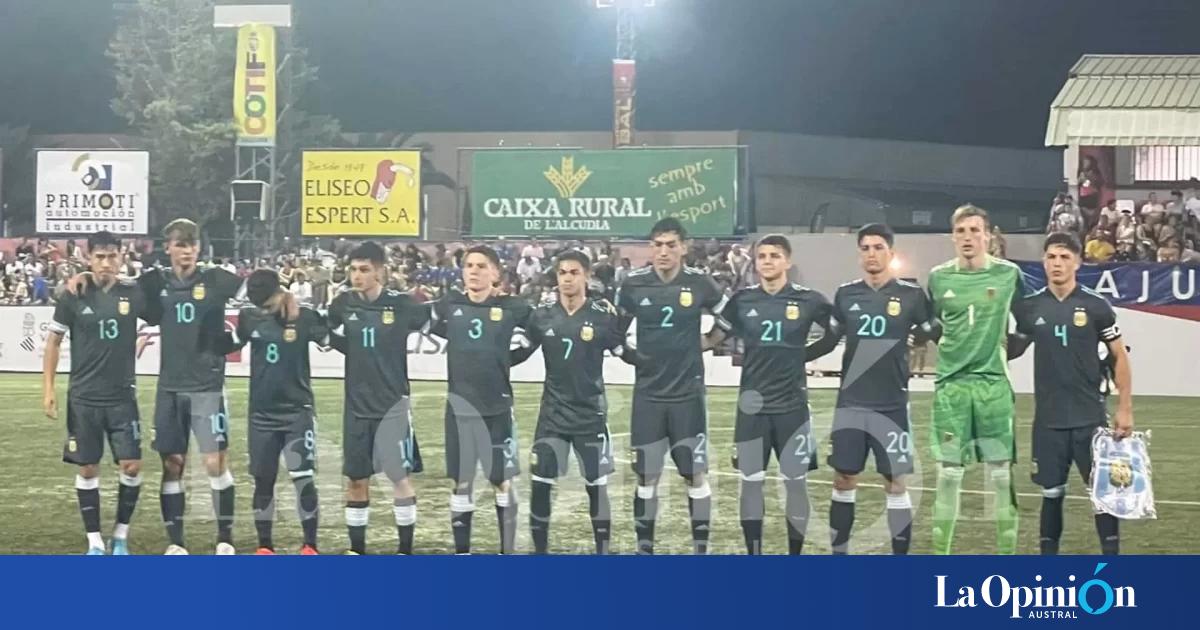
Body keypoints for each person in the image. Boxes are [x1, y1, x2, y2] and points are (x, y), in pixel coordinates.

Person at [67, 218, 282, 554]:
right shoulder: (154, 282)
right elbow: (112, 283)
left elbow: (259, 293)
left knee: (215, 463)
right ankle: (176, 543)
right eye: (181, 244)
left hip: (207, 387)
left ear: (199, 248)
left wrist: (276, 299)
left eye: (192, 244)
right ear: (168, 248)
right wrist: (81, 277)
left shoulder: (216, 279)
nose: (187, 251)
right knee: (172, 465)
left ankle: (224, 539)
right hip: (169, 389)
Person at [702, 234, 836, 554]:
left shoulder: (810, 300)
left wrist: (803, 355)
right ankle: (755, 555)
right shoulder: (742, 300)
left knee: (795, 484)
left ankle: (794, 556)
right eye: (762, 256)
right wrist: (674, 345)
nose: (767, 261)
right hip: (752, 407)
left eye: (774, 255)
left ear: (787, 261)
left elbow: (835, 332)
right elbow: (713, 338)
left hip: (792, 405)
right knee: (751, 483)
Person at [1009, 232, 1132, 555]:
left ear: (1077, 262)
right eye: (1051, 257)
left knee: (1103, 493)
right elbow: (1012, 350)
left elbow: (1119, 356)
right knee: (1051, 493)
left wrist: (1125, 408)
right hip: (1048, 422)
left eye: (1064, 257)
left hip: (1089, 418)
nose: (1057, 263)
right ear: (1044, 262)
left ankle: (1111, 561)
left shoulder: (1096, 306)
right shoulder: (1030, 307)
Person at [614, 218, 731, 555]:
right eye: (657, 244)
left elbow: (729, 317)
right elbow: (616, 330)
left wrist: (707, 342)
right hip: (649, 395)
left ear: (683, 247)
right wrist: (630, 356)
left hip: (687, 394)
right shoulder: (634, 285)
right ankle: (645, 550)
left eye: (670, 244)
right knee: (646, 476)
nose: (663, 251)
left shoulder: (700, 284)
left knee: (695, 473)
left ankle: (700, 550)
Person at [43, 231, 158, 555]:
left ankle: (120, 534)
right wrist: (48, 388)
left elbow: (167, 304)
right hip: (83, 399)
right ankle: (94, 540)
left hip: (122, 397)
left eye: (112, 256)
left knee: (132, 465)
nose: (106, 263)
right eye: (99, 257)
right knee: (88, 468)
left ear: (121, 256)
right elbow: (53, 341)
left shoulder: (134, 294)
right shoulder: (73, 295)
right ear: (89, 258)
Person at [825, 224, 936, 555]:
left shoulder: (912, 295)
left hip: (892, 404)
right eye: (865, 248)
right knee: (844, 479)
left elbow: (935, 327)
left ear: (891, 252)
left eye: (877, 247)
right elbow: (830, 338)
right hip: (851, 403)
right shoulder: (846, 294)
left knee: (895, 483)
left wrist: (921, 337)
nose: (871, 253)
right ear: (860, 254)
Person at [510, 251, 626, 554]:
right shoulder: (542, 315)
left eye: (574, 272)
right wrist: (486, 361)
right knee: (540, 485)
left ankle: (602, 552)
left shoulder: (603, 315)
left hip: (590, 414)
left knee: (596, 488)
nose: (567, 278)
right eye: (562, 273)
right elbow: (519, 353)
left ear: (586, 276)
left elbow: (624, 351)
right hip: (552, 415)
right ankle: (540, 553)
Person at [927, 205, 1025, 555]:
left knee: (1000, 475)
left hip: (993, 387)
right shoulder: (938, 278)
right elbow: (933, 324)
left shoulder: (1009, 275)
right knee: (949, 475)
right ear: (953, 237)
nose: (968, 238)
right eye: (961, 232)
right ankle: (939, 557)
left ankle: (1006, 557)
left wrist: (1005, 351)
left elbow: (1026, 321)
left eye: (974, 231)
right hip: (951, 389)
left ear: (988, 235)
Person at [212, 270, 326, 555]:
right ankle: (265, 546)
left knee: (303, 478)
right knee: (263, 480)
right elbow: (228, 345)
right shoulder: (250, 318)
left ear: (279, 292)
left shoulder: (305, 317)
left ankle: (310, 545)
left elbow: (332, 339)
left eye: (268, 303)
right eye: (259, 304)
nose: (264, 309)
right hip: (261, 415)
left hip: (297, 412)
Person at [328, 242, 430, 555]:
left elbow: (435, 320)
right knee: (357, 480)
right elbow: (332, 336)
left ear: (380, 271)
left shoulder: (402, 305)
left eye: (364, 270)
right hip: (357, 407)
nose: (357, 276)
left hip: (392, 407)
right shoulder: (342, 304)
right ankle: (357, 550)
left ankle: (404, 551)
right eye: (353, 270)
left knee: (399, 479)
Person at [430, 245, 532, 554]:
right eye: (468, 265)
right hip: (459, 408)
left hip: (497, 407)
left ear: (495, 273)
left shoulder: (512, 307)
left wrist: (509, 358)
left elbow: (540, 332)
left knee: (501, 481)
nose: (473, 271)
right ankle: (463, 553)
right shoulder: (450, 304)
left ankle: (506, 550)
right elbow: (425, 322)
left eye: (481, 266)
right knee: (461, 482)